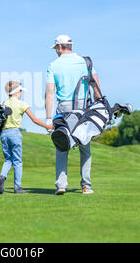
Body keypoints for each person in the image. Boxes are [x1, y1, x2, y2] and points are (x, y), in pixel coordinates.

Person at [45, 35, 102, 195]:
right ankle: (86, 186)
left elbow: (49, 93)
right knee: (85, 146)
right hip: (82, 107)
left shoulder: (53, 65)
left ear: (59, 47)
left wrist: (49, 118)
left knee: (62, 145)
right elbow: (96, 85)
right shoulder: (84, 62)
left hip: (64, 108)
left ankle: (61, 185)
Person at [0, 81, 53, 194]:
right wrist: (47, 126)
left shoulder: (4, 103)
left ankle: (2, 176)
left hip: (4, 134)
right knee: (17, 161)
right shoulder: (22, 104)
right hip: (15, 133)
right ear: (17, 92)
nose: (21, 93)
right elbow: (35, 120)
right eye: (20, 90)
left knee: (8, 159)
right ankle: (17, 187)